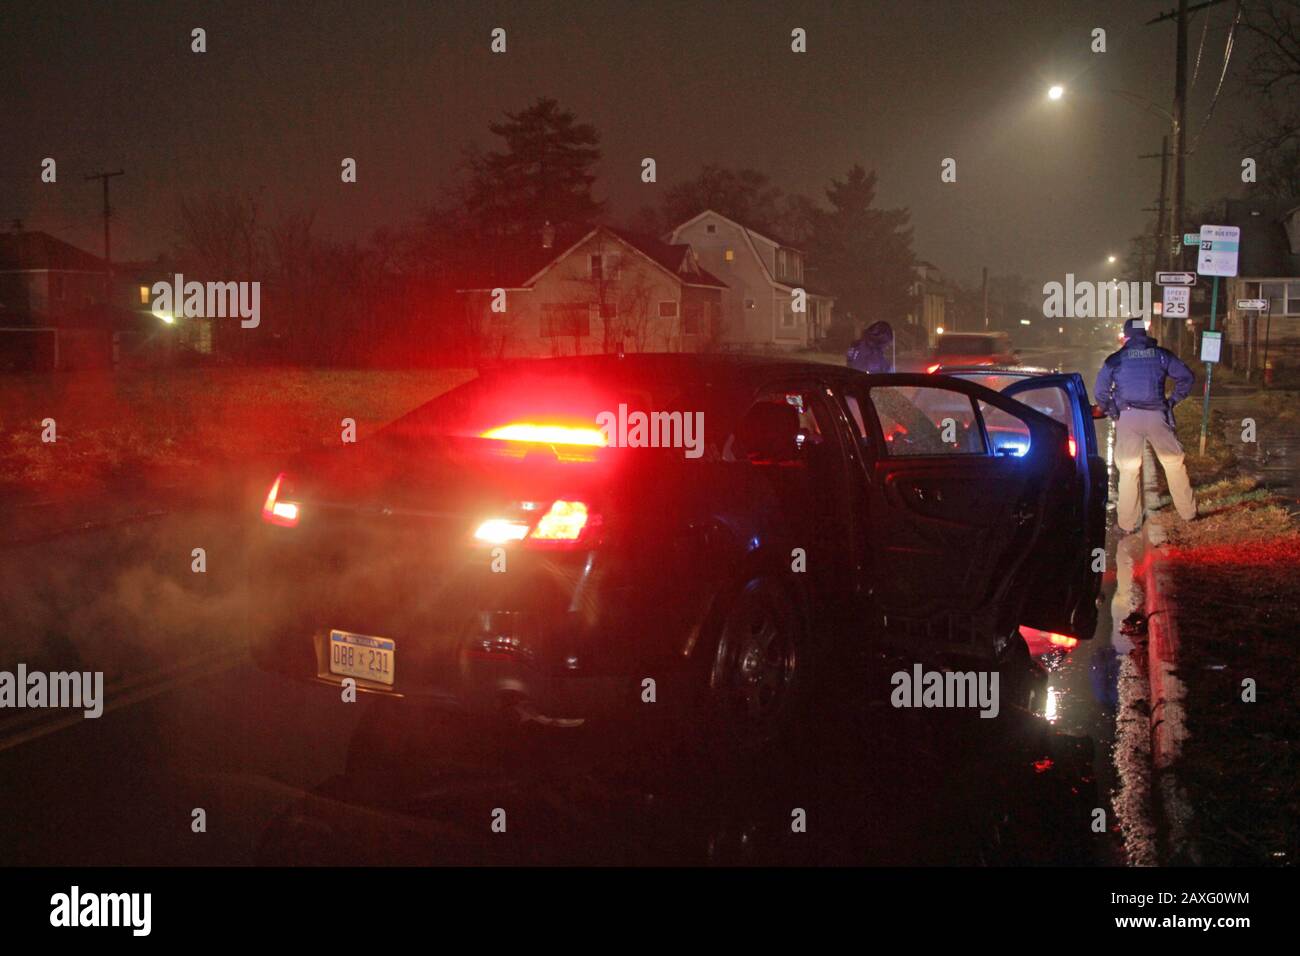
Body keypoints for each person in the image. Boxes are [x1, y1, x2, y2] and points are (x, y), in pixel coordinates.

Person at [1094, 317, 1197, 533]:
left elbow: (1100, 392)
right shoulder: (1161, 355)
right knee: (1173, 463)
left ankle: (1128, 524)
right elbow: (1186, 377)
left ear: (1127, 335)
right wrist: (1172, 401)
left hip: (1128, 417)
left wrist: (1113, 411)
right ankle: (1188, 513)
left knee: (1129, 470)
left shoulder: (1116, 359)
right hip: (1157, 416)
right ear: (1146, 333)